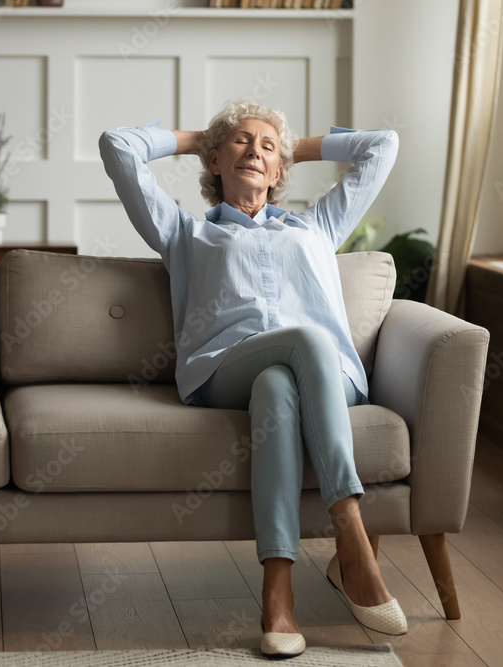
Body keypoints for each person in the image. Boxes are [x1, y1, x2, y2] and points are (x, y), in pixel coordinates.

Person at [99, 100, 404, 658]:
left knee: (278, 386)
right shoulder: (185, 234)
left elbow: (381, 145)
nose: (255, 152)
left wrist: (292, 148)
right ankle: (351, 531)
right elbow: (118, 146)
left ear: (281, 170)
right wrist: (200, 138)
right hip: (223, 368)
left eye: (267, 147)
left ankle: (277, 593)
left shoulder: (318, 225)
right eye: (240, 143)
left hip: (325, 381)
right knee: (303, 340)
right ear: (215, 160)